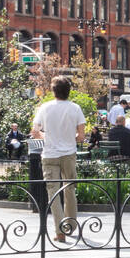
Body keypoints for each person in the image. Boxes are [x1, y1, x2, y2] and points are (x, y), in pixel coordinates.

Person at [31, 75, 86, 243]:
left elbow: (34, 132)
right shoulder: (75, 108)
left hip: (49, 154)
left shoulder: (45, 108)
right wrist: (70, 137)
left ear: (53, 91)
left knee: (53, 192)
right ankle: (70, 224)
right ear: (69, 91)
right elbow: (81, 137)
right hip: (69, 153)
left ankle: (60, 231)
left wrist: (46, 136)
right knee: (69, 188)